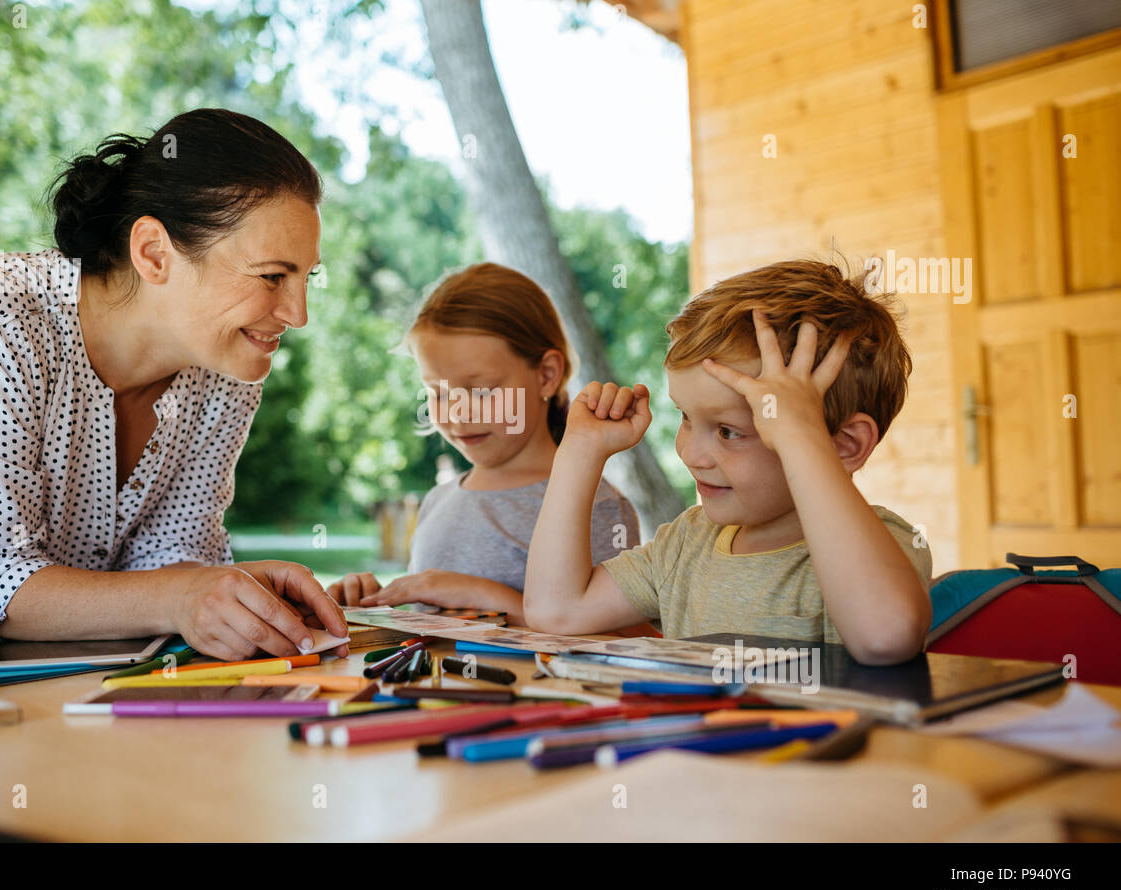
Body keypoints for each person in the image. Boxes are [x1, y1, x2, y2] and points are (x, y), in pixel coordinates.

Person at [0, 108, 348, 662]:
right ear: (153, 253)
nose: (298, 313)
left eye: (305, 278)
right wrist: (181, 595)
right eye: (271, 276)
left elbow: (170, 567)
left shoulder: (224, 370)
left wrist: (231, 595)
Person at [523, 257, 932, 665]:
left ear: (843, 445)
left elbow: (885, 638)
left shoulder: (883, 543)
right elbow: (554, 611)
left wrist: (801, 436)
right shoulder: (686, 544)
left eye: (728, 432)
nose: (691, 454)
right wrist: (578, 451)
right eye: (686, 417)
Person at [329, 263, 639, 622]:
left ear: (546, 375)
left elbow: (623, 641)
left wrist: (486, 596)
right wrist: (365, 603)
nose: (459, 414)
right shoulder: (437, 501)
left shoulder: (598, 507)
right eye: (438, 393)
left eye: (480, 390)